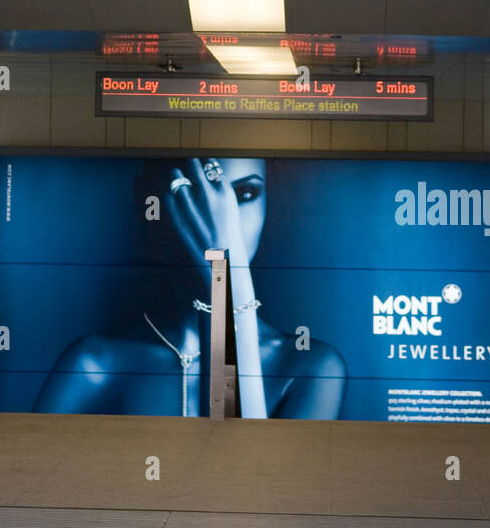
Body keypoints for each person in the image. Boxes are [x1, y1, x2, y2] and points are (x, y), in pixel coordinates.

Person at [33, 156, 346, 419]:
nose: (223, 223)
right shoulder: (93, 366)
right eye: (193, 194)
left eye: (246, 195)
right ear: (147, 200)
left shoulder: (310, 368)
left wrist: (226, 277)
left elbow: (245, 474)